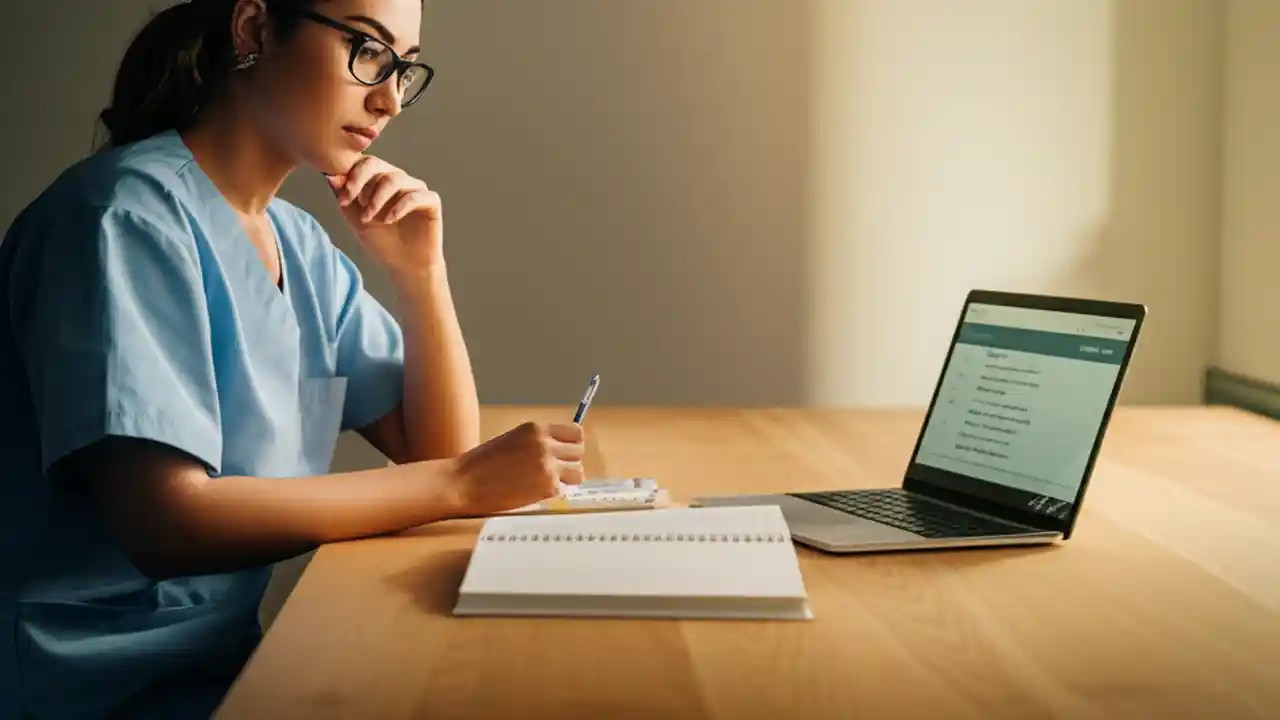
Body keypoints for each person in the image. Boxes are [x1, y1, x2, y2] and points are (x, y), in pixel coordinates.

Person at [0, 0, 586, 716]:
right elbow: (167, 522)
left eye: (404, 68)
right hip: (86, 689)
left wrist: (420, 274)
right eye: (367, 50)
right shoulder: (119, 218)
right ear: (253, 28)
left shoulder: (299, 245)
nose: (390, 98)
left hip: (229, 666)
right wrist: (461, 484)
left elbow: (439, 450)